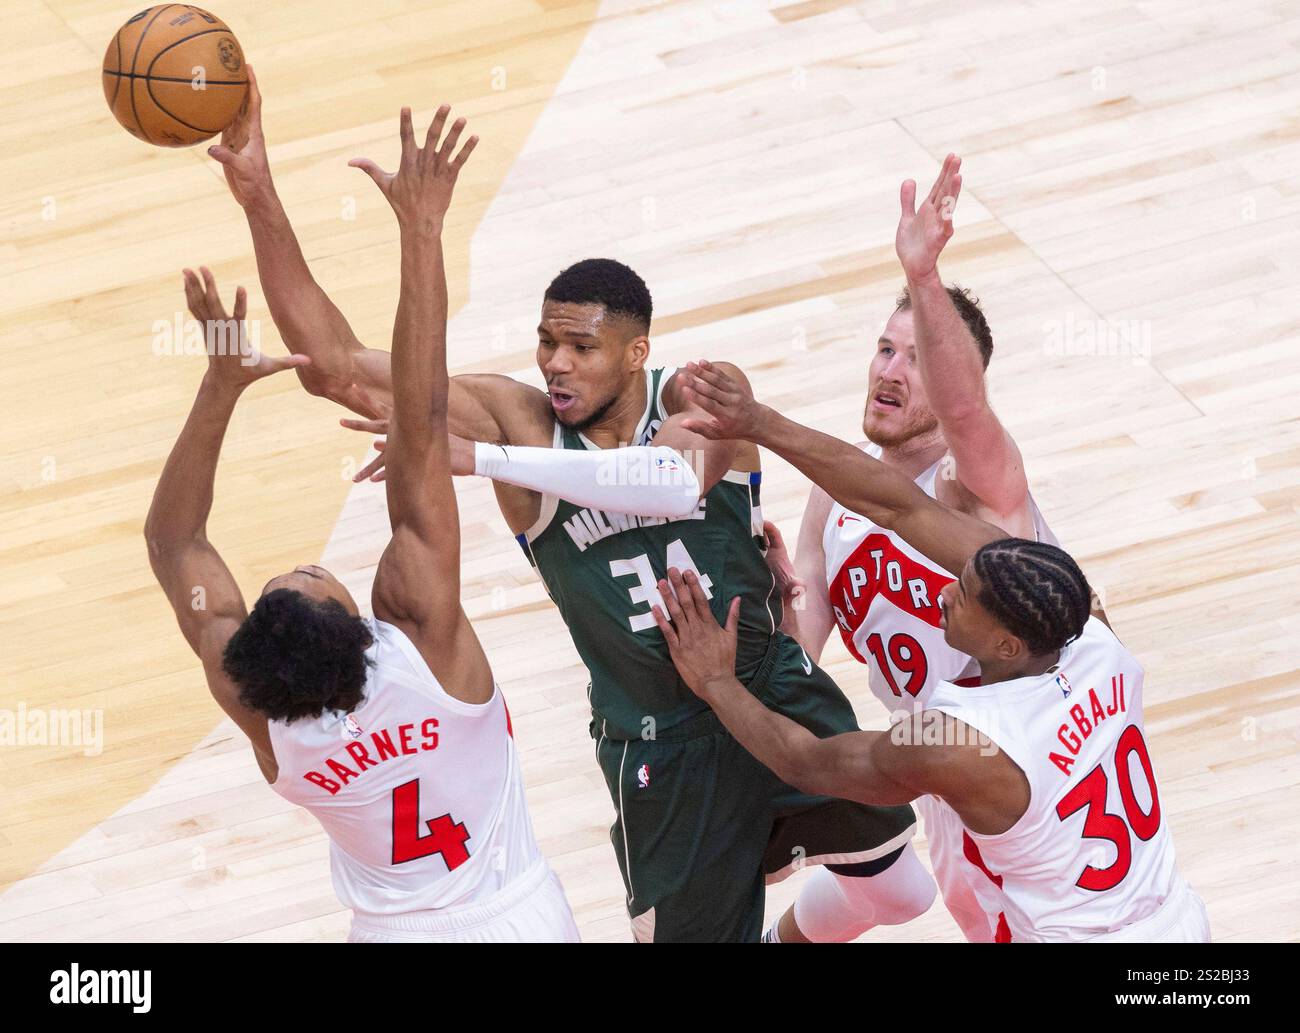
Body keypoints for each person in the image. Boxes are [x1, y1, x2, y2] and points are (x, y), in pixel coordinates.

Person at [204, 70, 927, 943]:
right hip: (659, 737)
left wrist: (477, 457)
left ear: (637, 353)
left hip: (768, 684)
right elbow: (329, 361)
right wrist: (257, 190)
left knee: (901, 892)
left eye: (580, 346)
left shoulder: (701, 399)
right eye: (546, 341)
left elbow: (664, 483)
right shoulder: (520, 419)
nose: (555, 363)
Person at [146, 106, 578, 943]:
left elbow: (175, 544)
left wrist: (219, 388)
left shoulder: (266, 719)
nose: (305, 562)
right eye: (311, 572)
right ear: (360, 623)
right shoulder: (424, 639)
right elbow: (420, 418)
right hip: (515, 919)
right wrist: (423, 229)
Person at [648, 391, 1209, 942]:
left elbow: (808, 763)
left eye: (962, 595)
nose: (944, 595)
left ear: (1009, 645)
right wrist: (763, 424)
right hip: (1178, 921)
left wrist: (717, 681)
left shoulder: (960, 743)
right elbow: (900, 506)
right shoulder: (1091, 634)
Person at [759, 155, 1058, 942]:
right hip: (937, 762)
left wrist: (925, 280)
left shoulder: (977, 483)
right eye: (885, 350)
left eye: (917, 357)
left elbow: (968, 412)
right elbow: (802, 659)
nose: (890, 371)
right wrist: (776, 597)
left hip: (1033, 749)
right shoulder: (834, 494)